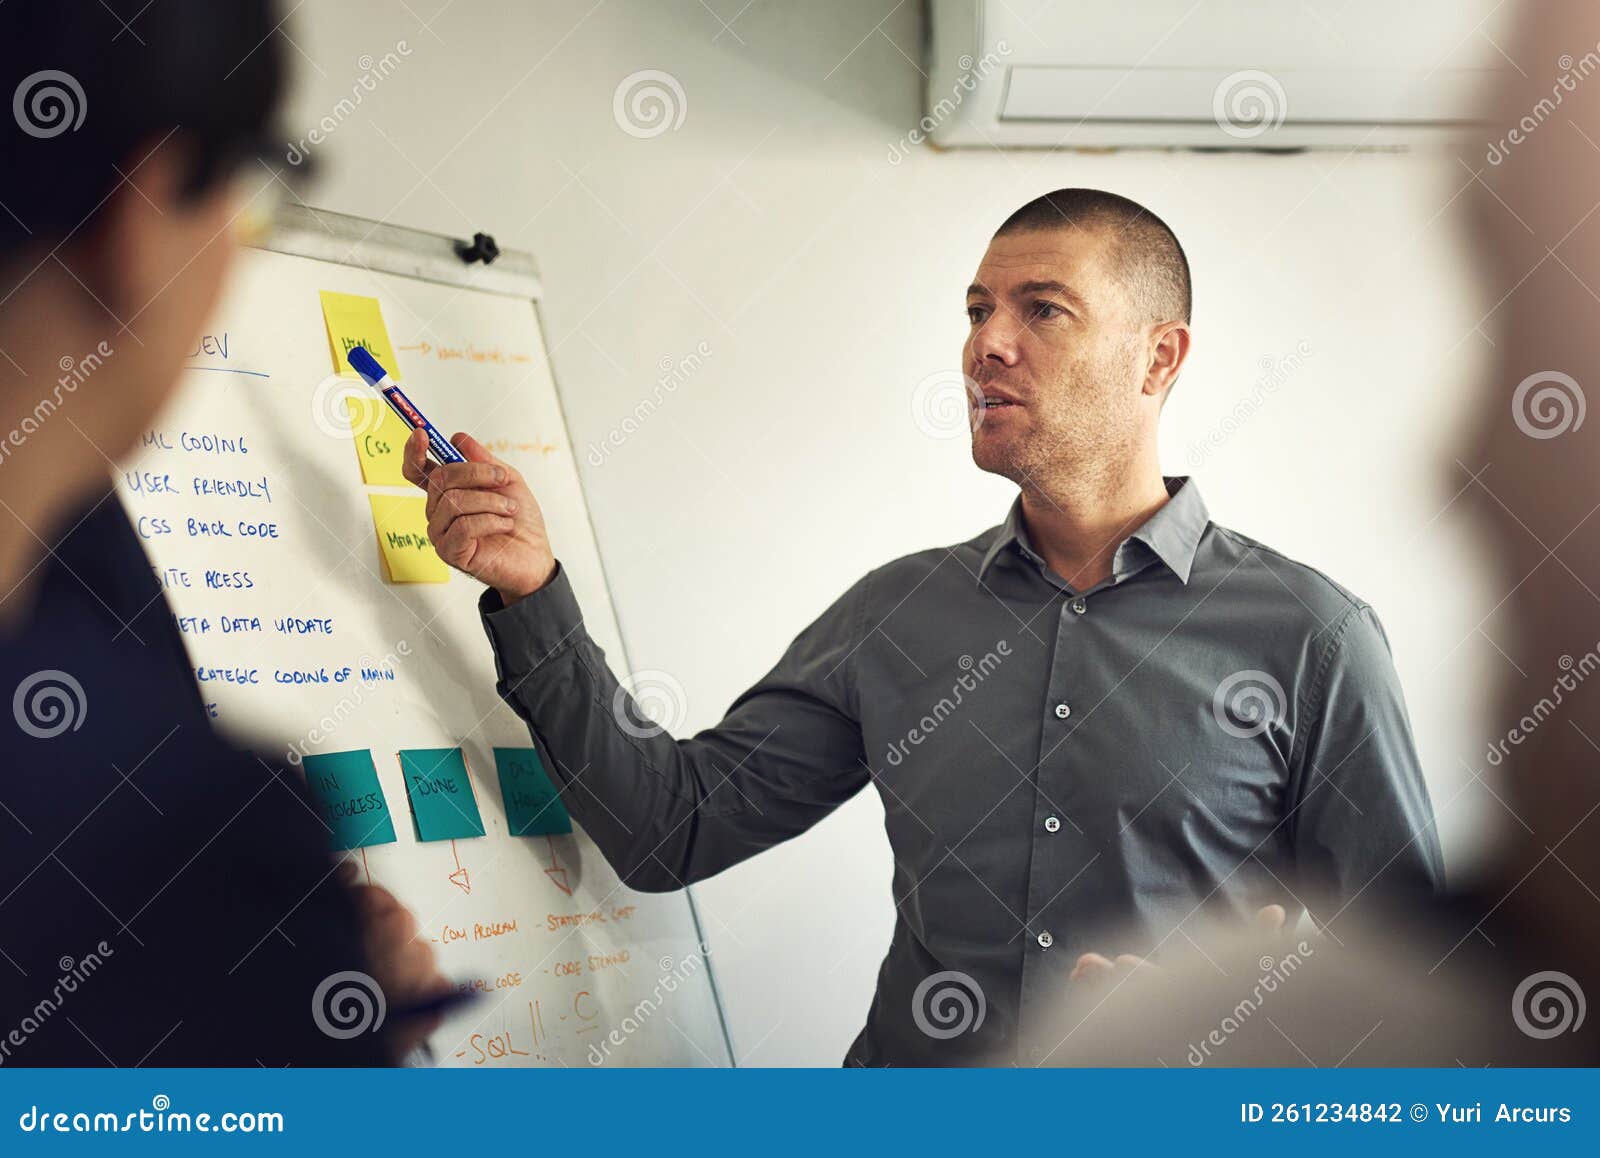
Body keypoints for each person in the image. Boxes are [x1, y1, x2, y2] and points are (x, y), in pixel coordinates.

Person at [406, 188, 1443, 1066]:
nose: (986, 344)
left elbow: (1427, 1003)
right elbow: (671, 827)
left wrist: (1239, 1035)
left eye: (1043, 310)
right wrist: (533, 587)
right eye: (978, 309)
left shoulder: (1308, 636)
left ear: (1157, 357)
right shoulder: (897, 616)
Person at [0, 0, 445, 1065]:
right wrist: (340, 1026)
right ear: (145, 209)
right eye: (249, 200)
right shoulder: (174, 845)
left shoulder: (84, 592)